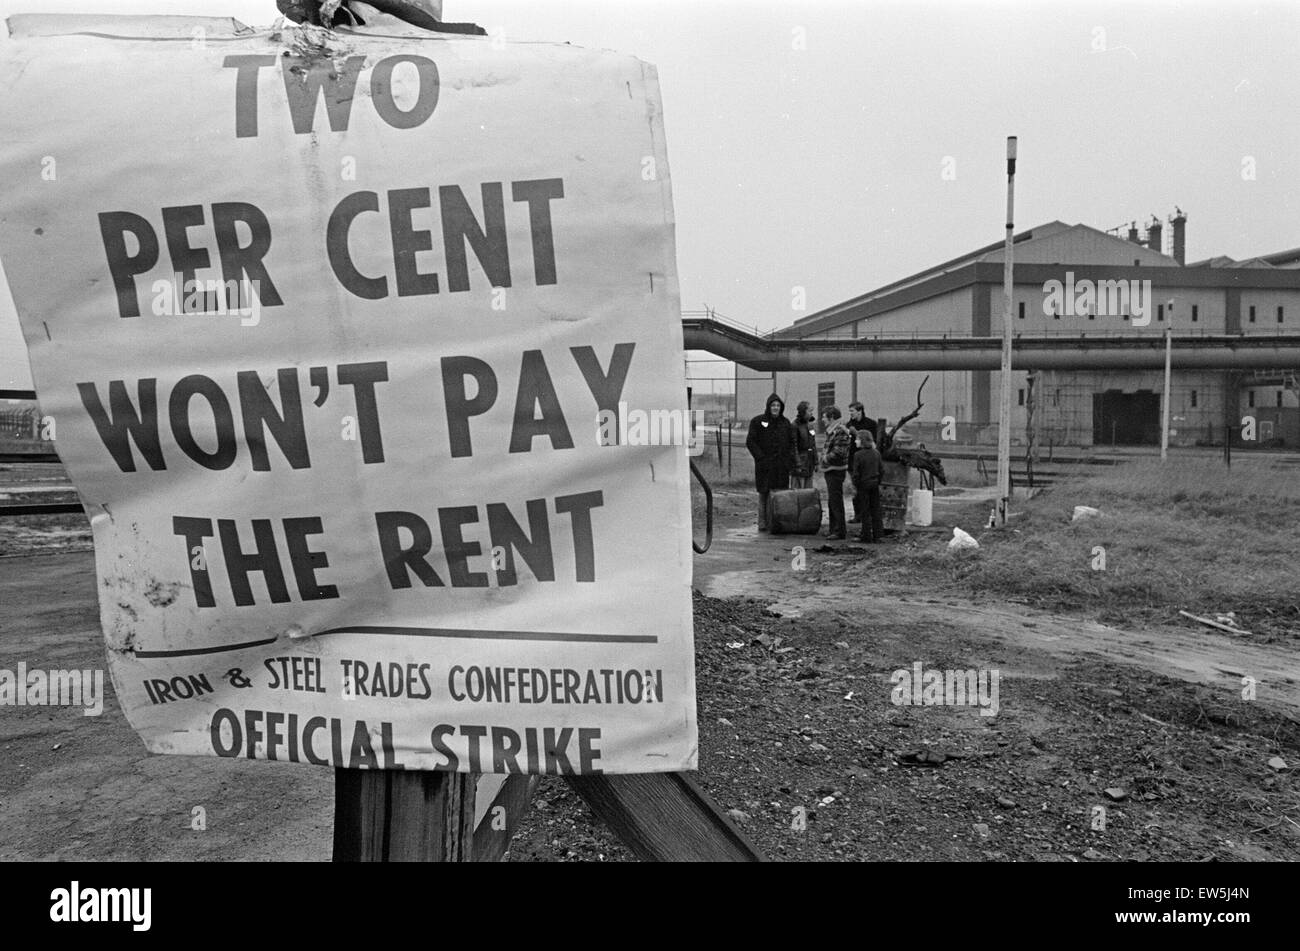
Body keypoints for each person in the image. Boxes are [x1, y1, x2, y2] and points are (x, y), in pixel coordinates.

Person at [745, 393, 798, 532]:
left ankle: (778, 521)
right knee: (764, 494)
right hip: (765, 466)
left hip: (781, 466)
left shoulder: (785, 423)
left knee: (780, 494)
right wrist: (760, 458)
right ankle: (762, 522)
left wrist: (790, 460)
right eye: (773, 405)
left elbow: (792, 442)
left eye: (778, 405)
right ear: (768, 407)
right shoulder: (757, 421)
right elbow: (750, 441)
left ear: (781, 407)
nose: (775, 408)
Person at [819, 405, 853, 539]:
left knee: (836, 500)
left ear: (831, 417)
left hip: (836, 470)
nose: (822, 419)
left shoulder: (840, 431)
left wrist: (824, 459)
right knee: (832, 500)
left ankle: (839, 531)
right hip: (831, 469)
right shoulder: (833, 430)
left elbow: (839, 451)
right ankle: (834, 529)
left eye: (824, 416)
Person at [851, 430, 885, 543]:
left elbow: (856, 473)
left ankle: (866, 535)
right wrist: (878, 481)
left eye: (857, 439)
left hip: (863, 485)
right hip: (874, 483)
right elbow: (881, 470)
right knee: (876, 510)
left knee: (865, 511)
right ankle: (878, 535)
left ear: (861, 440)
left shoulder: (858, 455)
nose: (855, 441)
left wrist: (856, 485)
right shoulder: (876, 453)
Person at [846, 402, 875, 523]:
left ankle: (867, 514)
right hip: (853, 460)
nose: (850, 414)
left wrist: (855, 432)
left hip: (867, 462)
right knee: (855, 489)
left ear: (859, 411)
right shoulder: (849, 424)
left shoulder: (871, 424)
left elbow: (873, 443)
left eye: (852, 411)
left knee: (866, 489)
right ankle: (858, 514)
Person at [791, 401, 817, 489]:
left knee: (808, 494)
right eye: (809, 411)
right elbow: (793, 447)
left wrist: (816, 462)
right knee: (798, 493)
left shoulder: (810, 425)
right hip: (800, 465)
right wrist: (798, 464)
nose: (811, 413)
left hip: (809, 464)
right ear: (803, 411)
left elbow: (813, 444)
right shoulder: (795, 426)